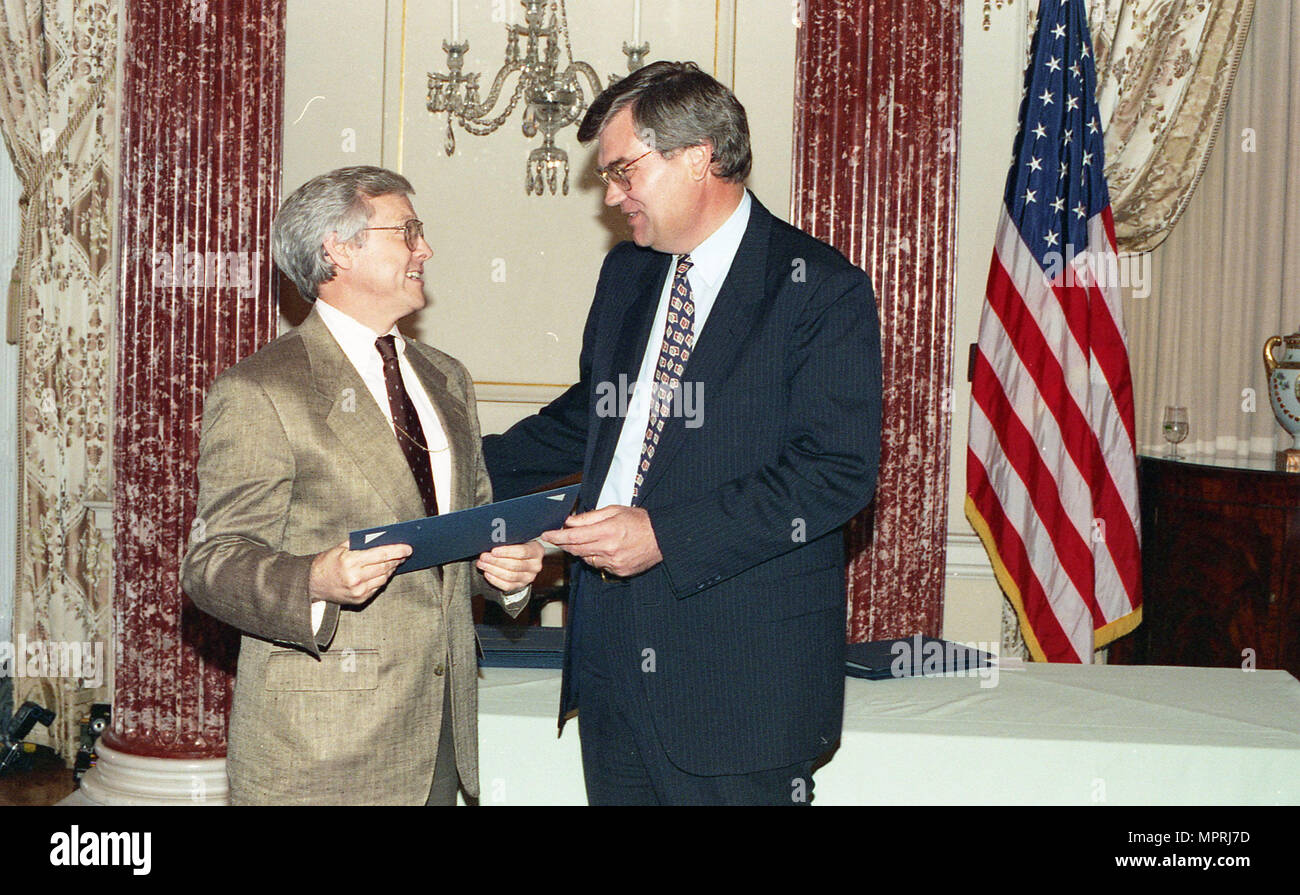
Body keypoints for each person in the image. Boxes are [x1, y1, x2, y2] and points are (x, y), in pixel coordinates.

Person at [482, 62, 882, 805]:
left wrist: (665, 534)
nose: (612, 196)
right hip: (609, 663)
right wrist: (446, 466)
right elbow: (589, 420)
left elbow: (834, 471)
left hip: (739, 683)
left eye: (623, 171)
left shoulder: (817, 288)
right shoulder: (628, 274)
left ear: (698, 156)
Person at [182, 166, 543, 805]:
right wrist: (313, 580)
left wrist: (507, 572)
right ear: (338, 250)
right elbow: (211, 564)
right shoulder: (262, 390)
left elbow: (466, 538)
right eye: (408, 231)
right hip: (319, 752)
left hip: (440, 740)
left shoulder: (446, 378)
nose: (425, 249)